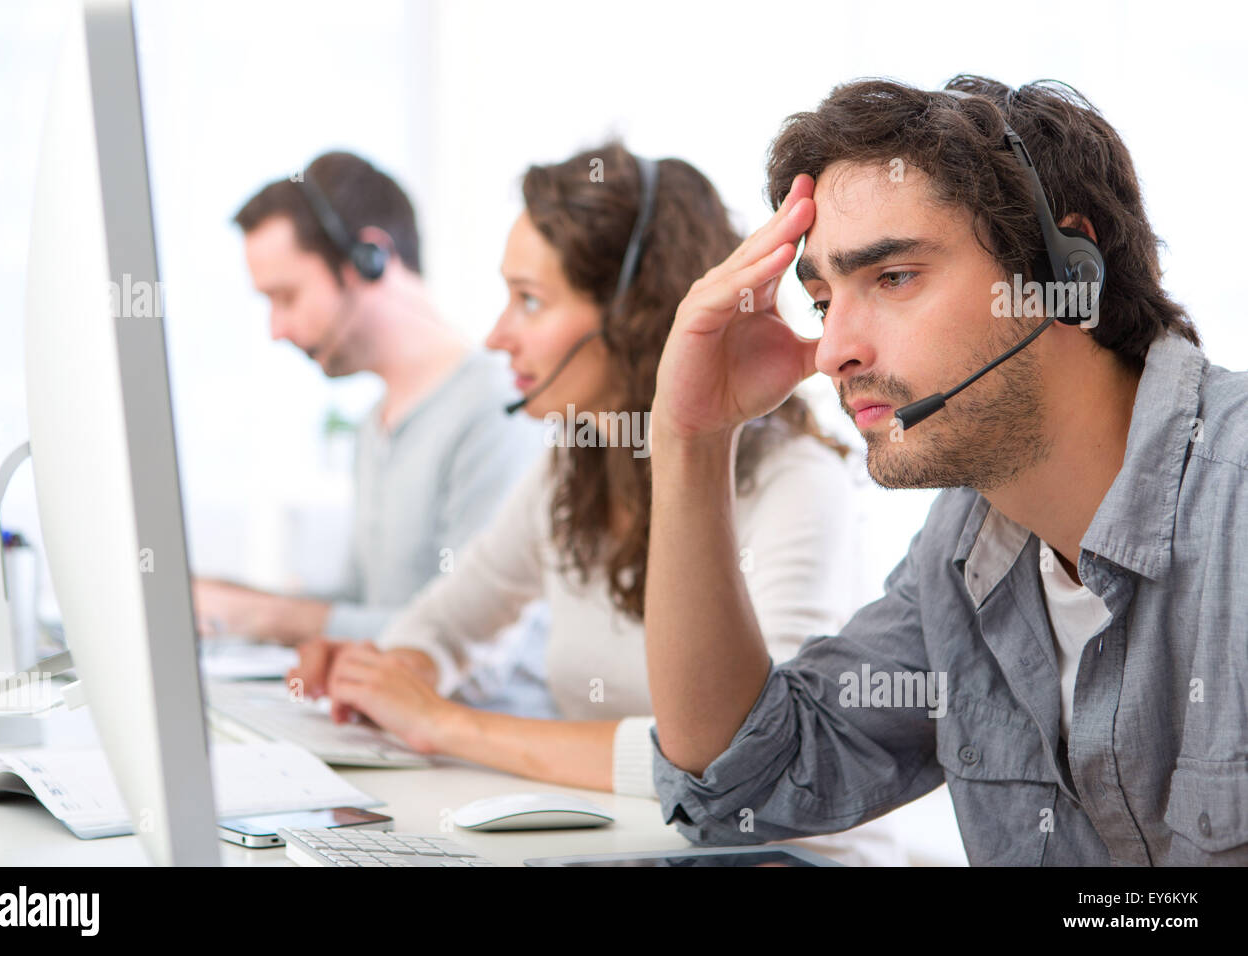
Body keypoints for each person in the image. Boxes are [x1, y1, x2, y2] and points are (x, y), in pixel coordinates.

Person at [644, 76, 1247, 865]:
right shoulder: (969, 543)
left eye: (893, 279)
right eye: (824, 301)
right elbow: (745, 784)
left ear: (1067, 273)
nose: (833, 352)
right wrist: (691, 439)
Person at [290, 143, 902, 865]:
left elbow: (747, 759)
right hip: (635, 846)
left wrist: (444, 725)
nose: (496, 336)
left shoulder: (796, 480)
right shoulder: (574, 465)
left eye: (530, 300)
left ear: (632, 316)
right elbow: (452, 618)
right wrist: (386, 672)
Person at [193, 151, 549, 713]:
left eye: (286, 297)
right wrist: (228, 602)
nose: (276, 330)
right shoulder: (371, 429)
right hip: (397, 743)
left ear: (371, 258)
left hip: (487, 757)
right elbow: (367, 608)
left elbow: (473, 642)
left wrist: (264, 616)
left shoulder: (501, 405)